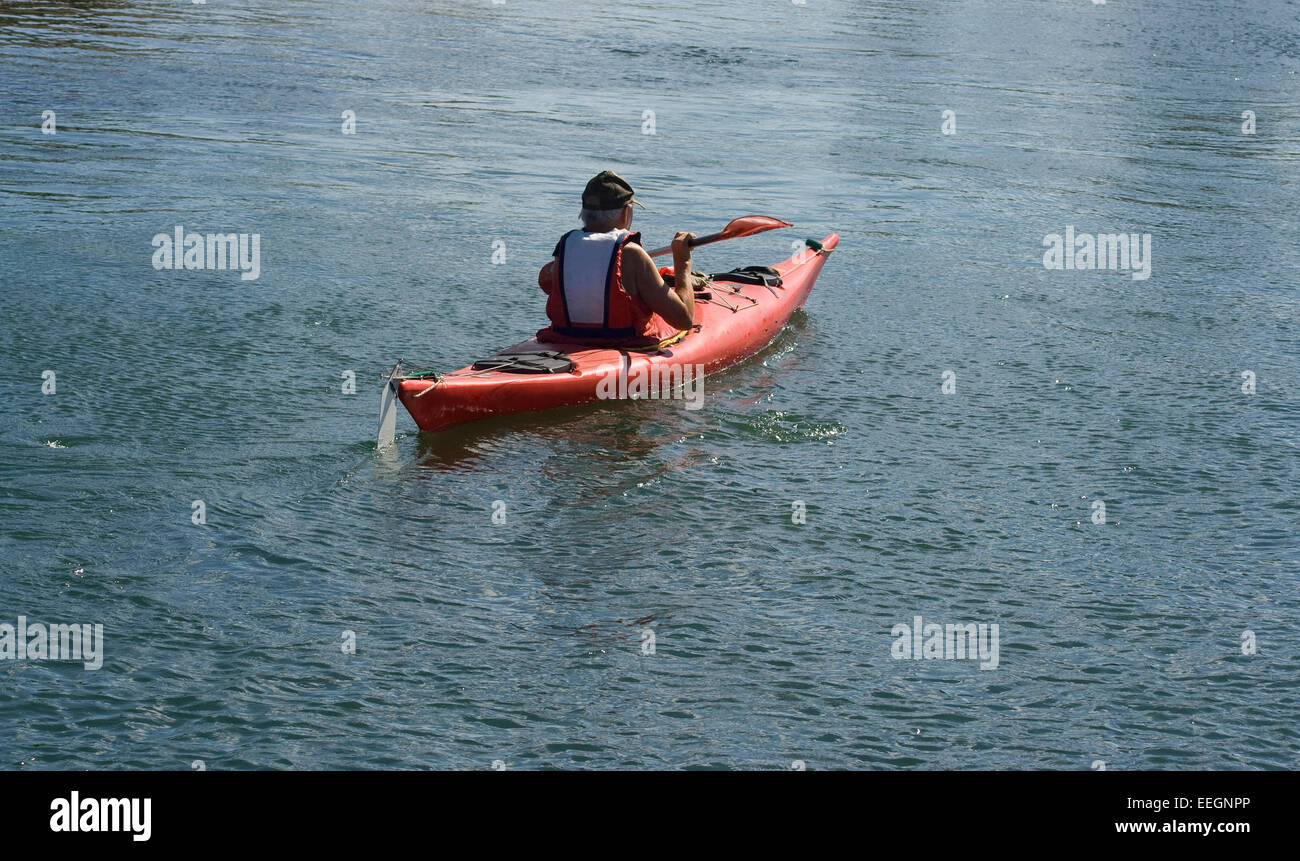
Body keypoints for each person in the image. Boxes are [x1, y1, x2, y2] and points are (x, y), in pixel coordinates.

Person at [537, 171, 697, 349]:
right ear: (626, 212)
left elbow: (548, 283)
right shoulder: (632, 254)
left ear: (584, 213)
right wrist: (682, 262)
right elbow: (684, 320)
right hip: (621, 343)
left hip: (565, 340)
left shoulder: (564, 248)